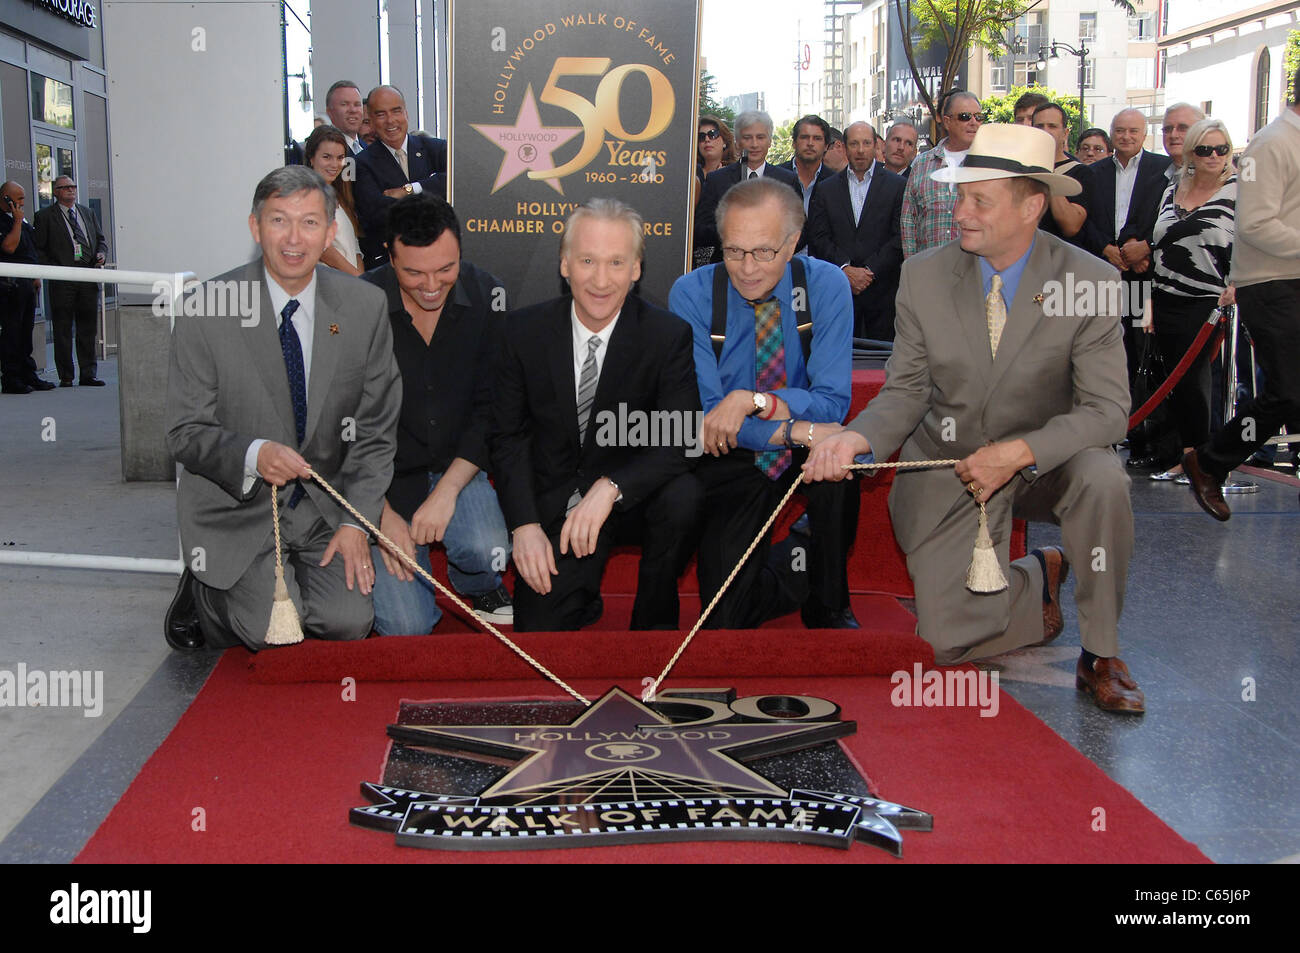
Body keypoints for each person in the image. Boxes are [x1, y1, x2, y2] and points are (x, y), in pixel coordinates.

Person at [804, 124, 1144, 714]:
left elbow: (1108, 410)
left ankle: (1101, 652)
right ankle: (1039, 578)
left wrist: (1019, 452)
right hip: (949, 465)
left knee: (1104, 478)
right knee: (943, 643)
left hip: (1048, 462)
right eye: (959, 196)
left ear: (1031, 206)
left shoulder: (1090, 282)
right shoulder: (924, 275)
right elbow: (906, 391)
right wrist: (860, 437)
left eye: (977, 200)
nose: (958, 212)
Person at [163, 165, 401, 652]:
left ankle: (285, 587)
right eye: (279, 221)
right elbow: (184, 432)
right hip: (237, 509)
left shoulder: (366, 306)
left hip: (324, 509)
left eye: (310, 222)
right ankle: (204, 592)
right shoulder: (204, 308)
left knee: (347, 624)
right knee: (275, 637)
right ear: (255, 227)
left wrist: (358, 524)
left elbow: (376, 431)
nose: (294, 238)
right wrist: (253, 454)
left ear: (331, 232)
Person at [492, 199, 701, 631]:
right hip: (559, 501)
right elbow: (507, 437)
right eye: (587, 260)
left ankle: (654, 615)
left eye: (616, 262)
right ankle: (580, 596)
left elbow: (681, 438)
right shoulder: (522, 332)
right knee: (540, 632)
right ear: (565, 264)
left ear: (636, 269)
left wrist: (611, 488)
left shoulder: (667, 335)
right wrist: (524, 525)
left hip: (634, 498)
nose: (601, 280)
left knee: (684, 496)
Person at [670, 177, 859, 630]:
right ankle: (796, 558)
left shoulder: (826, 286)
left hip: (802, 449)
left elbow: (832, 402)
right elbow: (708, 420)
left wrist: (755, 401)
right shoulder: (692, 294)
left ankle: (829, 600)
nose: (748, 268)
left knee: (843, 458)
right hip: (732, 457)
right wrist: (794, 427)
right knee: (723, 622)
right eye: (734, 251)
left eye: (764, 252)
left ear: (793, 242)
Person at [362, 194, 513, 632]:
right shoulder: (362, 303)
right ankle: (412, 572)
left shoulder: (491, 296)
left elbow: (493, 408)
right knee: (404, 629)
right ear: (389, 258)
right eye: (414, 272)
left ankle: (476, 581)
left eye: (445, 269)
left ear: (460, 252)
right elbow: (343, 423)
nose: (431, 285)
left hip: (459, 465)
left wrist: (447, 492)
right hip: (383, 478)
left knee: (488, 551)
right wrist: (381, 517)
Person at [1183, 69, 1300, 521]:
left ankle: (1212, 460)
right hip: (1271, 284)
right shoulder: (1274, 144)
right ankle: (1210, 460)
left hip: (1288, 281)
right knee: (1288, 392)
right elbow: (1256, 225)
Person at [1147, 119, 1236, 484]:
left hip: (1210, 298)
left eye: (1221, 149)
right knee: (1175, 382)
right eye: (1204, 149)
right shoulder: (1172, 187)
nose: (1213, 156)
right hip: (1165, 294)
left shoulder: (1239, 191)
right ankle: (1188, 457)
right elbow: (1157, 245)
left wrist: (1236, 284)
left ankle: (1205, 462)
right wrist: (1150, 301)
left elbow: (1251, 242)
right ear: (1191, 154)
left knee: (1197, 382)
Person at [1088, 108, 1174, 468]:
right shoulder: (1094, 172)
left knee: (1142, 352)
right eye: (1119, 130)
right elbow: (1087, 218)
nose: (1126, 137)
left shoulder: (1161, 169)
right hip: (1101, 271)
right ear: (1112, 134)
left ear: (1144, 134)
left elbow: (1161, 215)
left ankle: (1143, 437)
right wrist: (1106, 249)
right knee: (1104, 352)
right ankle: (1106, 432)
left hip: (1141, 274)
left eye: (1133, 131)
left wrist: (1142, 251)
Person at [806, 121, 905, 341]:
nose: (860, 150)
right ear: (844, 147)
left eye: (866, 143)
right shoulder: (826, 189)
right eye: (854, 143)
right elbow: (818, 237)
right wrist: (845, 269)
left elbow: (900, 237)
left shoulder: (897, 186)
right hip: (838, 292)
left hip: (882, 295)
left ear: (876, 146)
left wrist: (869, 271)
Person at [354, 85, 448, 267]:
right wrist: (434, 203)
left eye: (396, 111)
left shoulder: (434, 148)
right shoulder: (362, 163)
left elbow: (458, 179)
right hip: (389, 265)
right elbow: (376, 213)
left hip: (439, 259)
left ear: (406, 113)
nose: (390, 121)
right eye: (381, 114)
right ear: (371, 121)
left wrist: (411, 189)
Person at [694, 111, 803, 264]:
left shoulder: (787, 180)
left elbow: (801, 230)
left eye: (760, 137)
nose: (754, 144)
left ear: (770, 141)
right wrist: (731, 230)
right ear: (737, 142)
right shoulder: (717, 180)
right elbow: (699, 230)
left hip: (773, 267)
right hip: (727, 266)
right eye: (747, 138)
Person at [33, 175, 107, 387]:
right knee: (63, 328)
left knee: (88, 327)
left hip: (88, 276)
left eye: (73, 186)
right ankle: (66, 375)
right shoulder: (45, 216)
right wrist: (55, 269)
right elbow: (40, 249)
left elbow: (101, 240)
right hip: (63, 279)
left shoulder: (87, 213)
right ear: (55, 192)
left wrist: (101, 254)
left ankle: (88, 374)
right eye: (64, 188)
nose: (70, 190)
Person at [901, 89, 983, 257]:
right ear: (947, 122)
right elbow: (909, 220)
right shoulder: (922, 164)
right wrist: (912, 267)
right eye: (965, 117)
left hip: (976, 271)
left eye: (979, 117)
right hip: (929, 271)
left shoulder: (989, 165)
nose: (974, 122)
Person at [1, 182, 55, 394]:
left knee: (25, 332)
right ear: (6, 198)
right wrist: (15, 221)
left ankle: (28, 374)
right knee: (12, 332)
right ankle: (11, 377)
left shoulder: (21, 220)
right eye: (19, 198)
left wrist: (36, 275)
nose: (22, 202)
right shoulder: (10, 221)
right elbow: (9, 247)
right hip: (9, 285)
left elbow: (30, 248)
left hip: (27, 283)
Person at [1031, 102, 1094, 247]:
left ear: (1065, 133)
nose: (1045, 131)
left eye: (1052, 126)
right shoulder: (1020, 169)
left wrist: (1047, 172)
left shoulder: (1082, 173)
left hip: (1063, 261)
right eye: (1039, 126)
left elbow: (1071, 226)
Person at [304, 125, 364, 276]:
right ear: (311, 158)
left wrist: (361, 278)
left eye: (340, 158)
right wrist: (358, 279)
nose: (334, 164)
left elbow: (354, 247)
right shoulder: (306, 197)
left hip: (348, 286)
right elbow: (322, 248)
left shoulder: (341, 196)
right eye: (326, 157)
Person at [693, 115, 738, 268]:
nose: (707, 140)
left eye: (713, 134)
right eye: (701, 136)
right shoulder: (689, 175)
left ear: (724, 141)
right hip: (688, 250)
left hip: (722, 255)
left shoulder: (736, 177)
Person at [777, 114, 835, 213]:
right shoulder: (775, 178)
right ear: (794, 143)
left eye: (817, 138)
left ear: (826, 146)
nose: (810, 143)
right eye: (804, 137)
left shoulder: (835, 183)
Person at [1161, 102, 1205, 190]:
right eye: (1168, 129)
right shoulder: (1157, 177)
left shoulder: (1215, 176)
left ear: (1201, 132)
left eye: (1182, 128)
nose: (1173, 135)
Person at [324, 80, 367, 156]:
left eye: (357, 104)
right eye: (344, 104)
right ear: (329, 112)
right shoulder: (324, 150)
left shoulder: (367, 148)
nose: (353, 110)